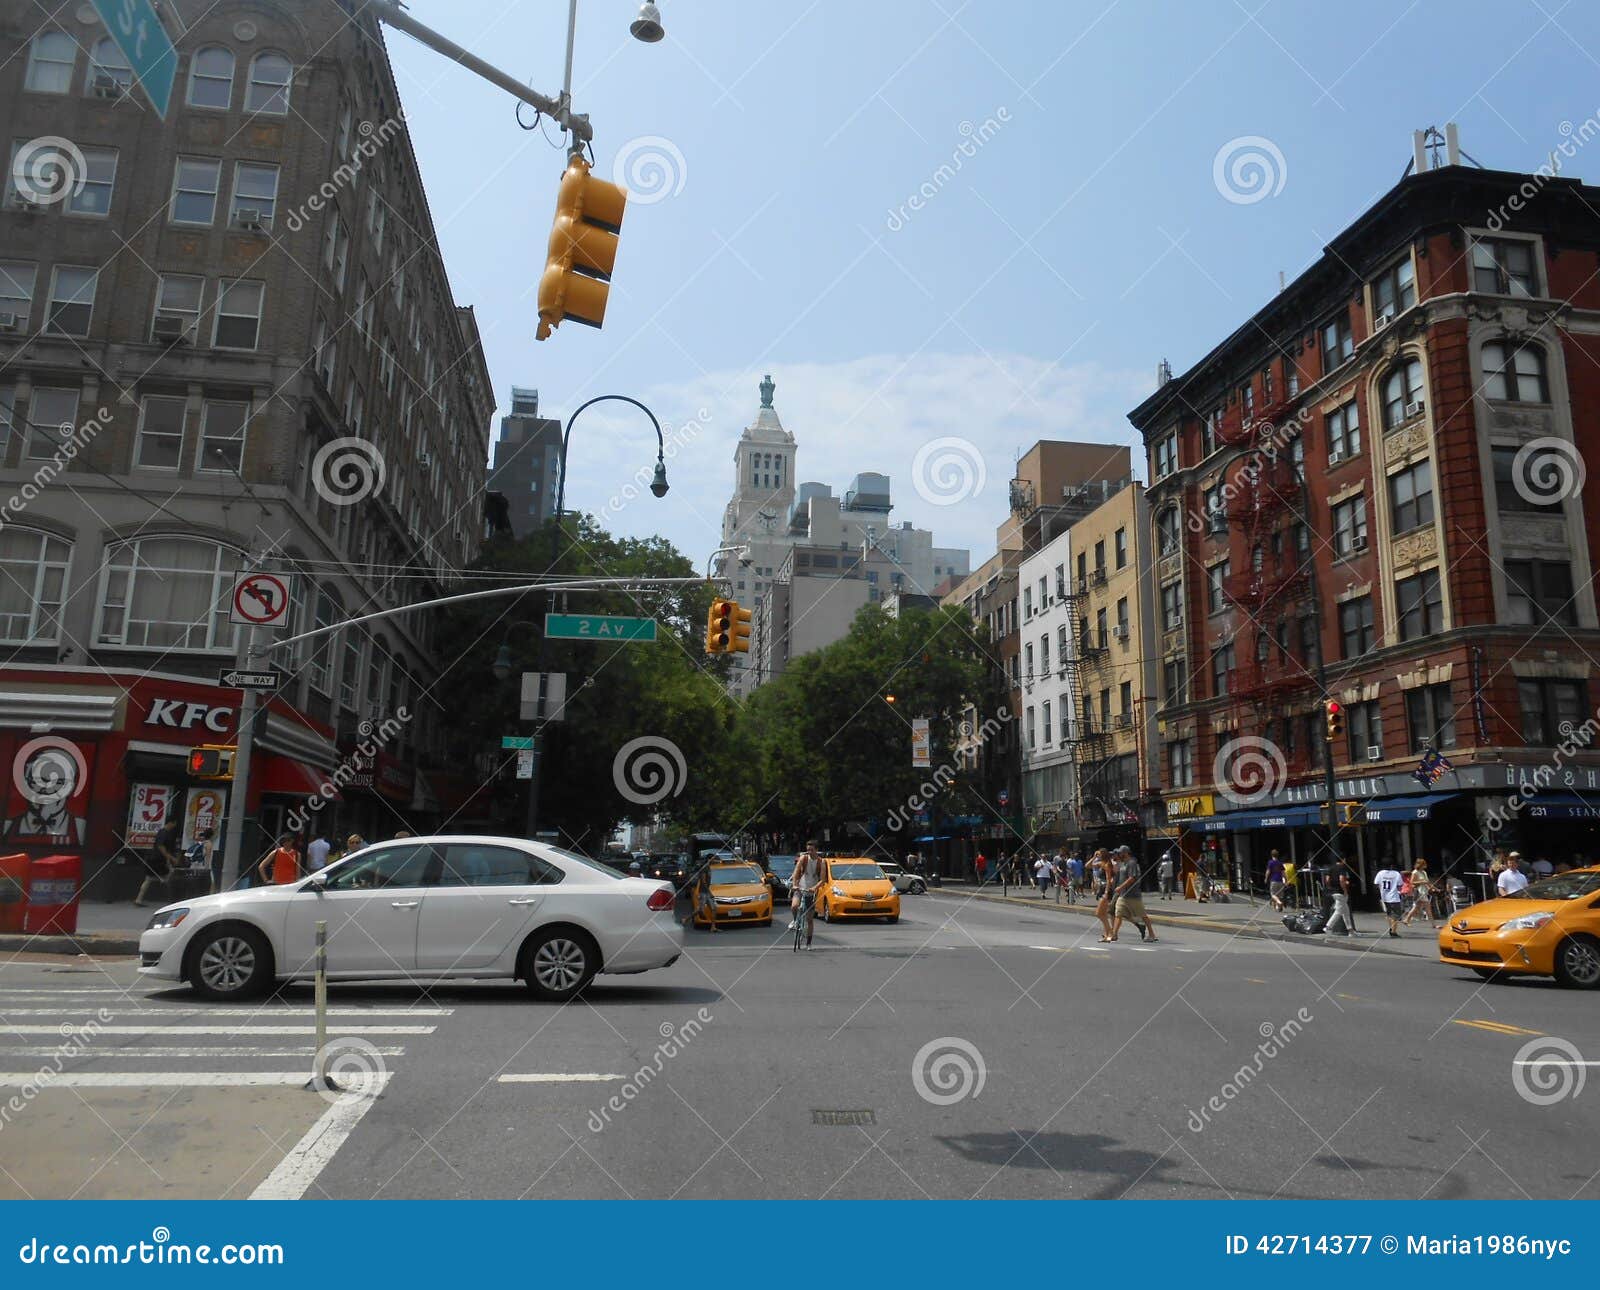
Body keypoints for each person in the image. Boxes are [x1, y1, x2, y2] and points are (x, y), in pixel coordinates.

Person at [1112, 846, 1157, 943]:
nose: (1119, 854)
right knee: (1118, 914)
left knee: (1142, 915)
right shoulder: (1123, 863)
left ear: (1126, 853)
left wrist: (1120, 887)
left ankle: (1152, 934)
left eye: (1121, 853)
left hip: (1133, 895)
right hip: (1123, 895)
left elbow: (1132, 878)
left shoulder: (1132, 863)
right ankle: (1114, 935)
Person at [135, 819, 183, 907]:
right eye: (174, 824)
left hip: (155, 858)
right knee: (169, 877)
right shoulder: (164, 833)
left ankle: (138, 899)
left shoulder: (162, 832)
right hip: (158, 860)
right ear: (170, 823)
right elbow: (161, 847)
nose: (174, 827)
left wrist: (169, 860)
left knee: (149, 879)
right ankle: (172, 900)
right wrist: (171, 858)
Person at [789, 841, 824, 947]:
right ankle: (795, 921)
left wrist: (814, 888)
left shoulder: (821, 862)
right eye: (808, 849)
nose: (809, 852)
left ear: (816, 850)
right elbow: (796, 872)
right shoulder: (803, 858)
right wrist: (795, 885)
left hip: (811, 891)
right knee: (794, 906)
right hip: (800, 888)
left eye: (811, 850)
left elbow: (822, 880)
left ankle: (808, 943)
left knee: (809, 919)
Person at [1322, 858, 1357, 936]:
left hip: (1333, 891)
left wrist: (1330, 887)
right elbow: (1341, 879)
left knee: (1345, 911)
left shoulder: (1331, 868)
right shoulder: (1342, 868)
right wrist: (1344, 889)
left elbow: (1327, 879)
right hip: (1340, 892)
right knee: (1339, 911)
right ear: (1343, 860)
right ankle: (1328, 927)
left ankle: (1350, 931)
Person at [1401, 858, 1438, 927]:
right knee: (1427, 908)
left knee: (1416, 907)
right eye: (1424, 864)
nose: (1425, 865)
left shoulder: (1424, 872)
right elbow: (1412, 882)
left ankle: (1406, 919)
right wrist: (1422, 882)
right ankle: (1434, 924)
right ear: (1421, 865)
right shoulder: (1415, 872)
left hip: (1424, 891)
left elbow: (1428, 882)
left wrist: (1435, 888)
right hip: (1419, 892)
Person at [1375, 861, 1404, 938]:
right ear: (1391, 866)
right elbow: (1400, 885)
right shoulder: (1396, 873)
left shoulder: (1380, 873)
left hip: (1384, 896)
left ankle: (1391, 928)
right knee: (1395, 915)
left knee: (1389, 914)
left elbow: (1377, 884)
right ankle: (1393, 932)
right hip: (1394, 897)